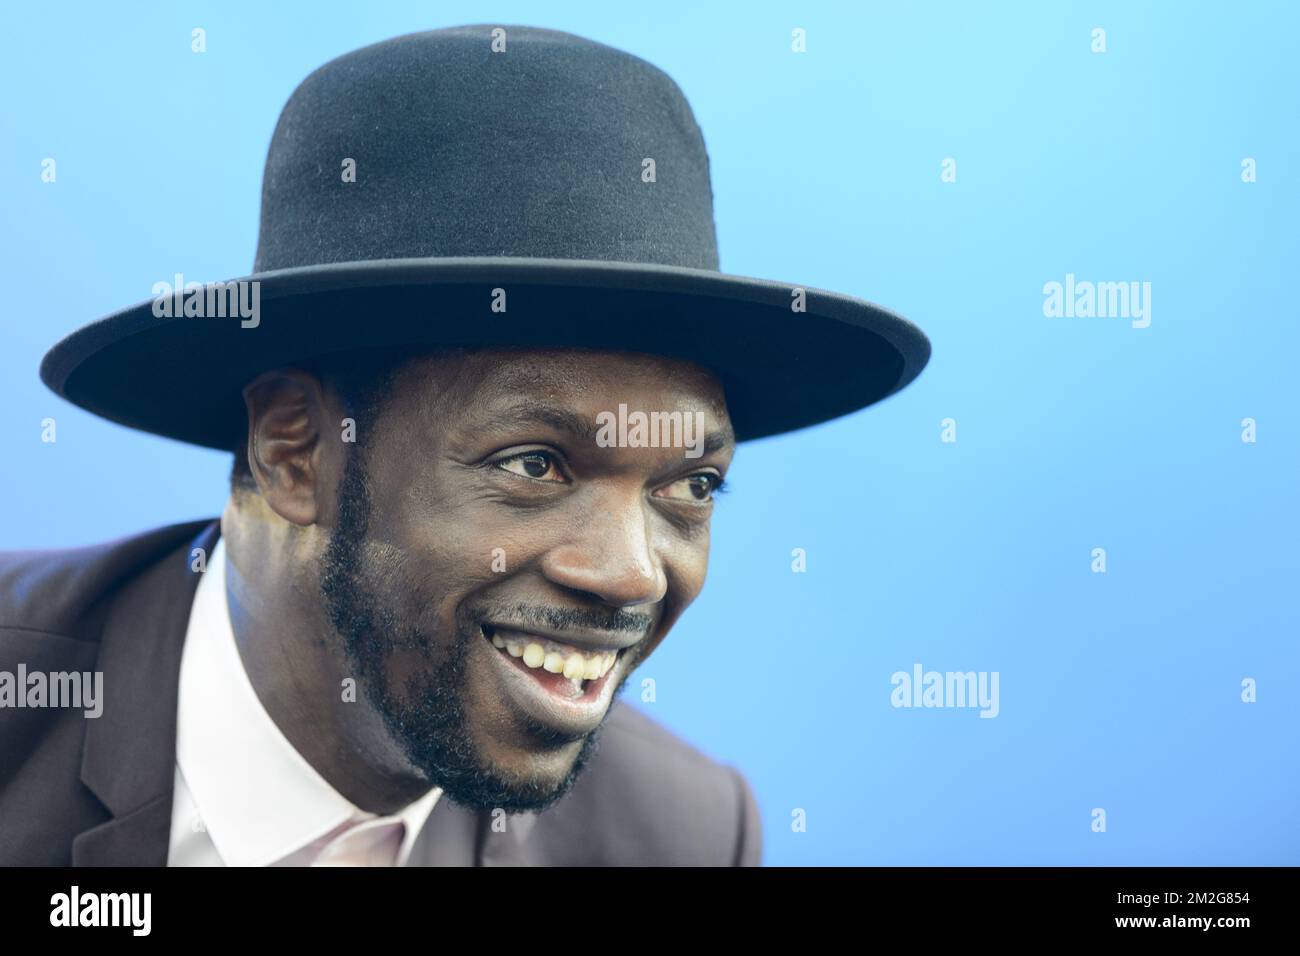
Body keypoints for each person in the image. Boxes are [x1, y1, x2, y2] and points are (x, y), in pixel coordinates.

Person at [0, 25, 929, 866]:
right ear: (294, 450)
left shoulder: (678, 837)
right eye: (534, 464)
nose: (630, 575)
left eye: (691, 485)